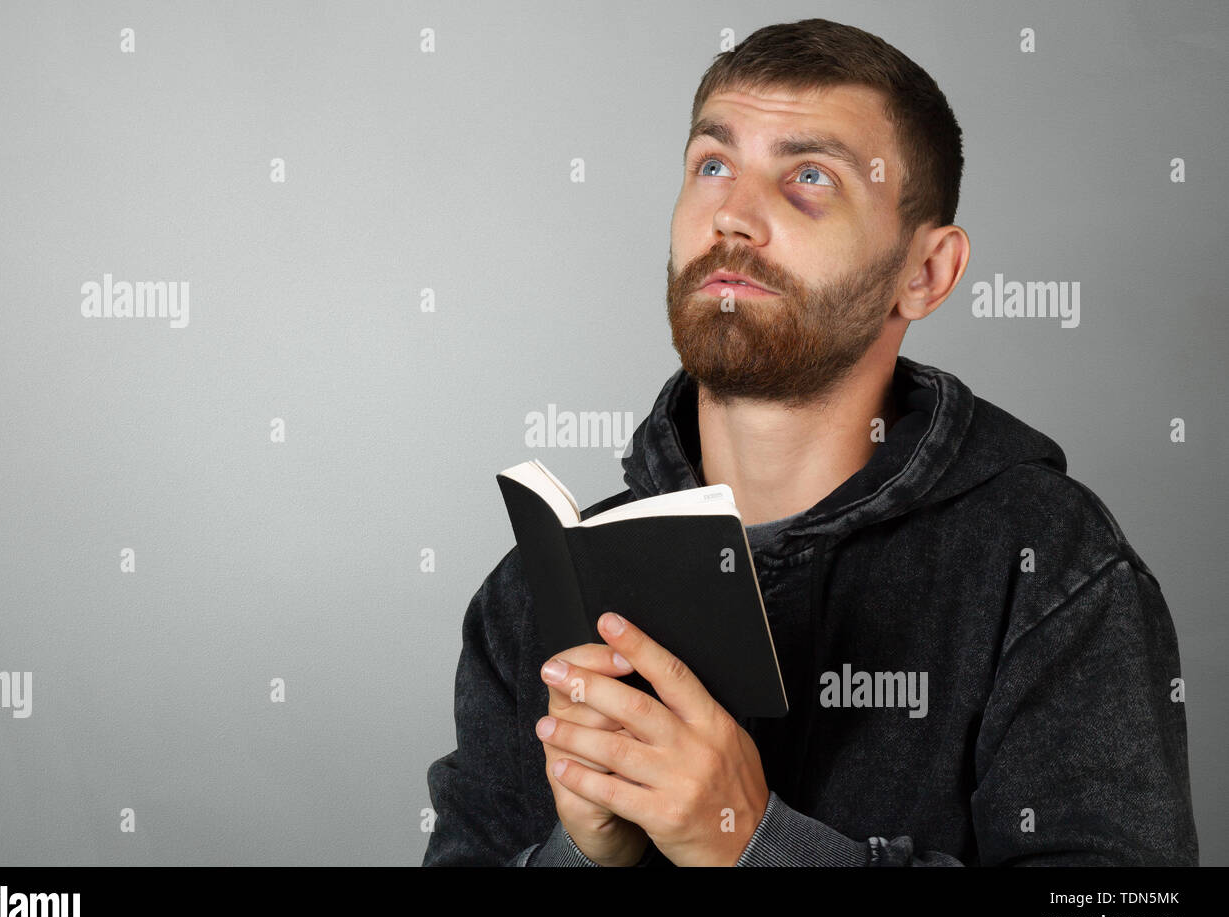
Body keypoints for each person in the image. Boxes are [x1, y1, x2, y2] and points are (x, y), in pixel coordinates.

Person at [422, 18, 1198, 866]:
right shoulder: (534, 595)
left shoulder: (1049, 570)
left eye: (809, 177)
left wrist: (758, 846)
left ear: (926, 272)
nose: (733, 217)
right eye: (713, 165)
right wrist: (587, 857)